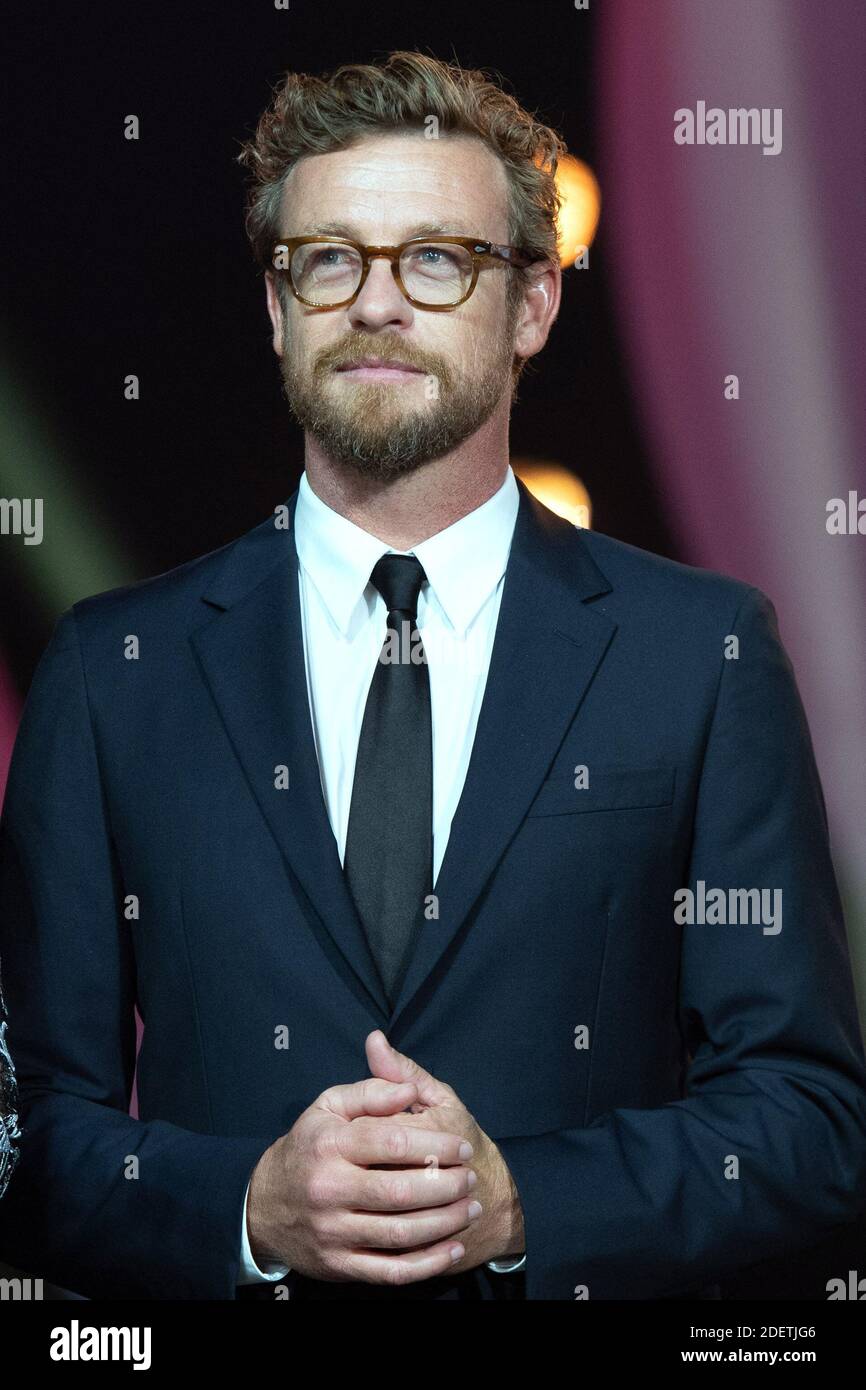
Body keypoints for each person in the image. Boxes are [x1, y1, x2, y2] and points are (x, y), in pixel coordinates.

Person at [0, 51, 864, 1301]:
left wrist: (518, 1201)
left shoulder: (702, 653)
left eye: (437, 260)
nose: (376, 303)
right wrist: (247, 1207)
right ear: (276, 305)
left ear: (532, 305)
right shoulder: (112, 671)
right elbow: (29, 1141)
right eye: (329, 259)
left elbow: (806, 1123)